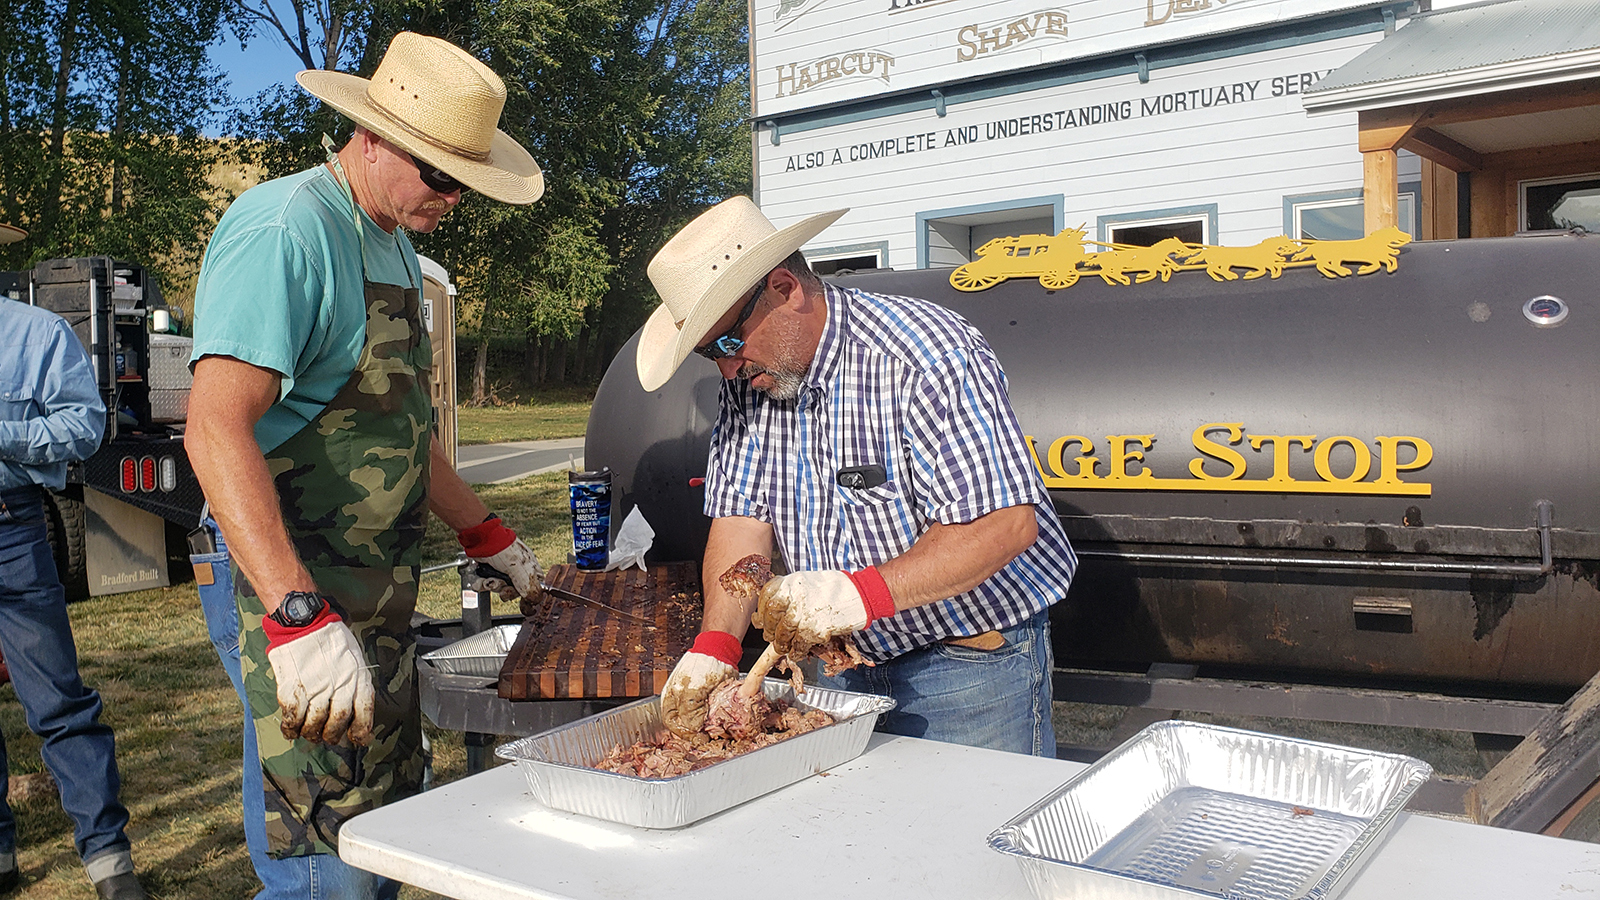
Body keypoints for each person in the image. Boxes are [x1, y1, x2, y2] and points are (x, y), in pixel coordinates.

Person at [184, 33, 545, 899]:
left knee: (383, 815)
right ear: (373, 136)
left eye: (467, 181)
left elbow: (401, 423)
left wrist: (486, 532)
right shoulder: (285, 231)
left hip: (376, 574)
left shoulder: (391, 241)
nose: (452, 197)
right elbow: (214, 431)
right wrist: (297, 616)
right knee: (324, 839)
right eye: (440, 175)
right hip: (288, 567)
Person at [642, 197, 1076, 756]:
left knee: (975, 837)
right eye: (710, 355)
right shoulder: (751, 382)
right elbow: (741, 522)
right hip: (843, 662)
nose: (727, 368)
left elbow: (1004, 525)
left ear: (783, 288)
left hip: (969, 661)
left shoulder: (924, 355)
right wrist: (717, 645)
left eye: (729, 343)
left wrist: (858, 594)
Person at [0, 223, 148, 900]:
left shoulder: (34, 335)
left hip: (12, 532)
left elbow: (83, 428)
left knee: (58, 702)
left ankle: (109, 865)